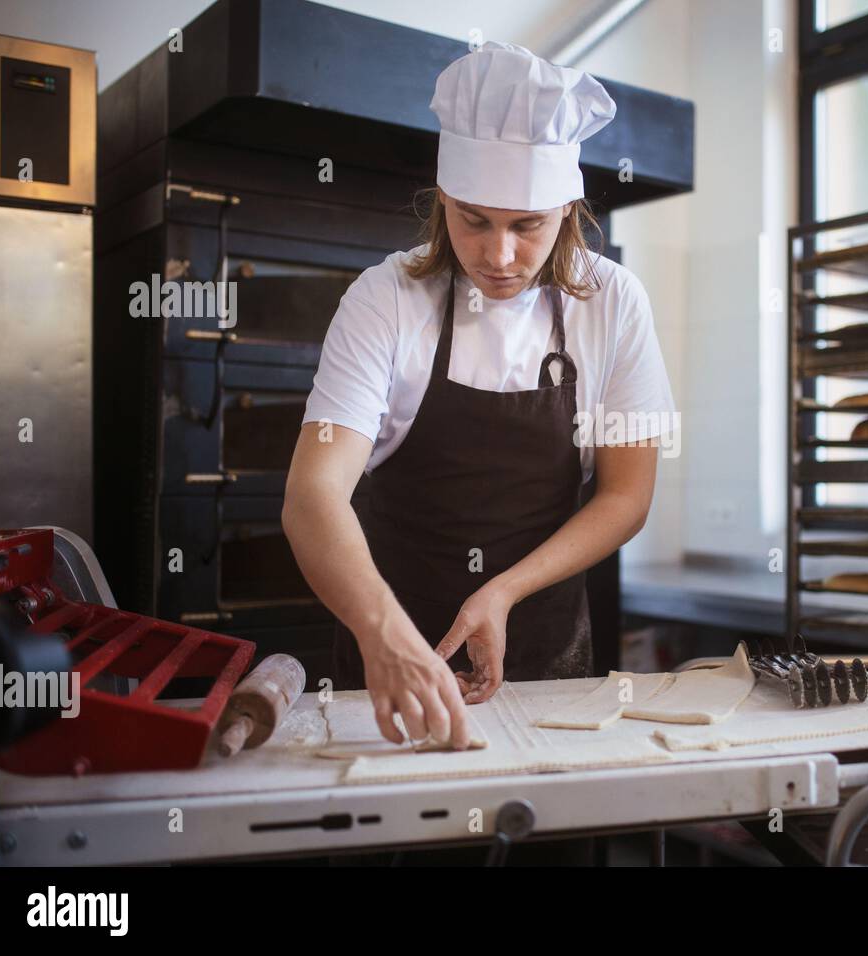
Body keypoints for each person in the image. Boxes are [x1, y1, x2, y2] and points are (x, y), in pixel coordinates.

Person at [282, 41, 676, 751]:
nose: (499, 256)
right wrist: (384, 634)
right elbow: (313, 496)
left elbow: (628, 496)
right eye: (473, 220)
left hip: (549, 665)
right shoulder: (385, 299)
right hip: (393, 658)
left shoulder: (615, 302)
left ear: (566, 208)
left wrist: (501, 592)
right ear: (442, 203)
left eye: (526, 226)